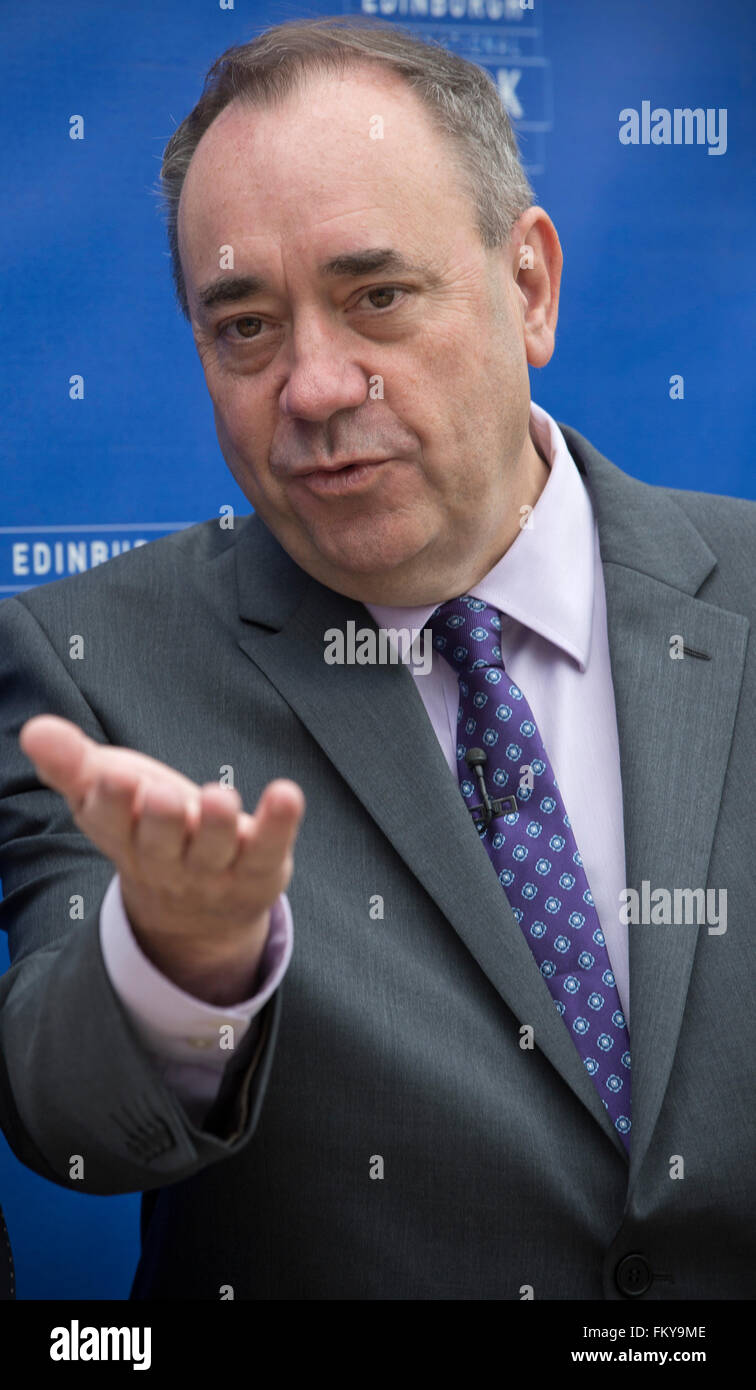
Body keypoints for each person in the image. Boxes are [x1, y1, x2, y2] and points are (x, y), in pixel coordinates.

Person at [0, 17, 753, 1301]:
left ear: (529, 287)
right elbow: (65, 1117)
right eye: (243, 326)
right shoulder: (90, 667)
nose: (312, 383)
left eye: (377, 296)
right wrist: (180, 970)